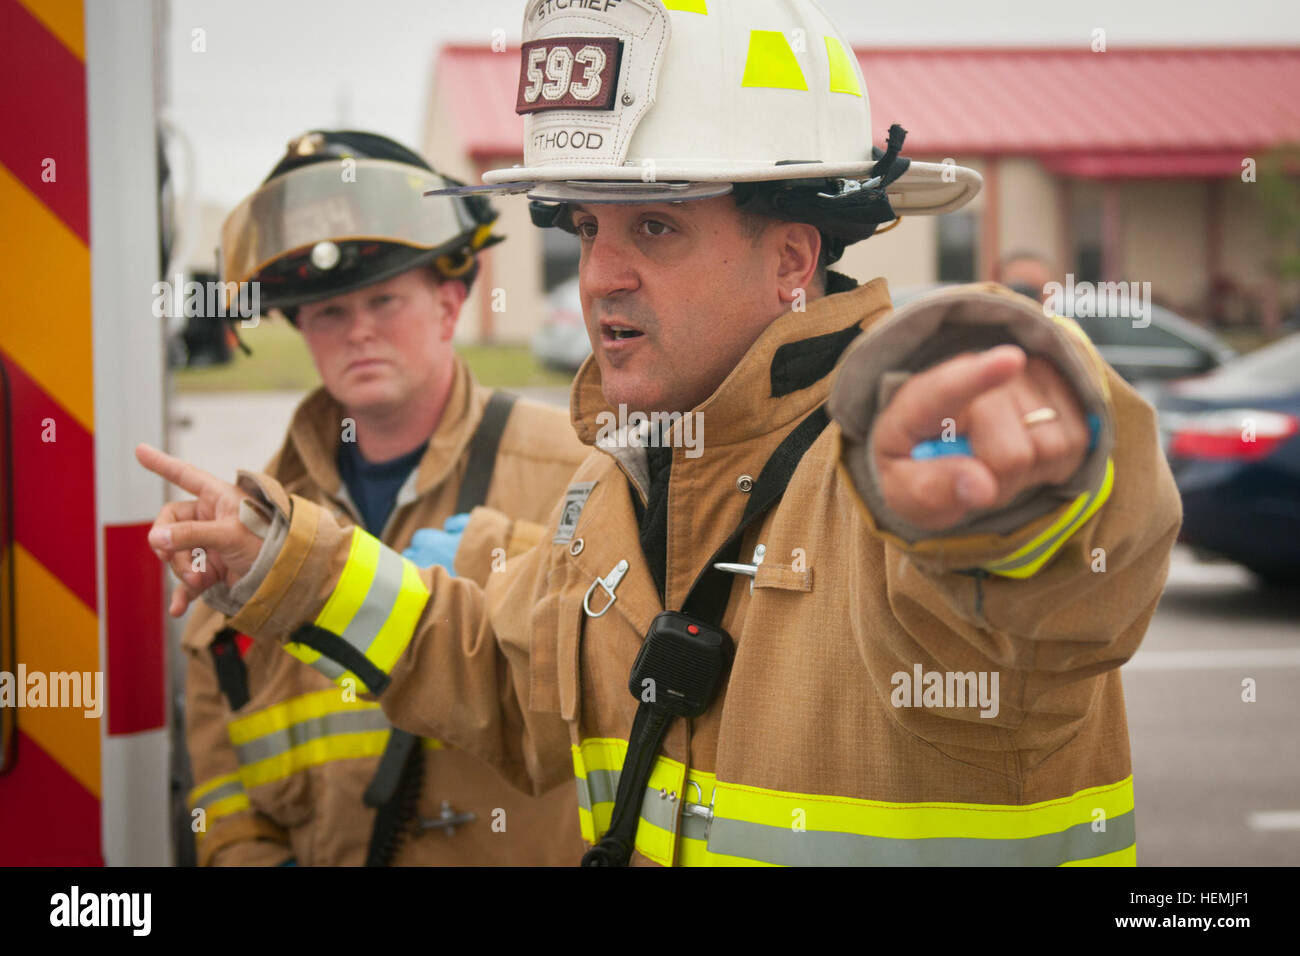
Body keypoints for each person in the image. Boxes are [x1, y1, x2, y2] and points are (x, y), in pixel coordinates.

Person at [142, 1, 1181, 866]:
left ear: (791, 257)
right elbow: (506, 679)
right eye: (587, 226)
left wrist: (1033, 463)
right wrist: (287, 563)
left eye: (656, 225)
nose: (598, 274)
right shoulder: (619, 489)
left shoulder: (892, 482)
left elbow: (1065, 571)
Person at [180, 130, 587, 866]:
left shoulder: (578, 475)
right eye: (329, 312)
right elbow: (223, 792)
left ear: (450, 304)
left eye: (384, 299)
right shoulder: (251, 531)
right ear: (301, 330)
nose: (358, 330)